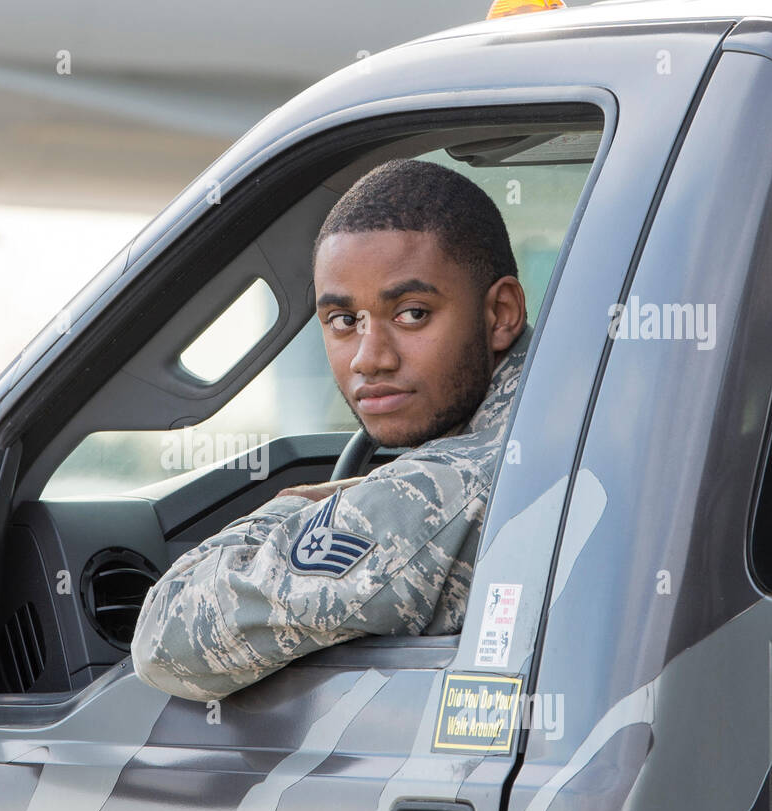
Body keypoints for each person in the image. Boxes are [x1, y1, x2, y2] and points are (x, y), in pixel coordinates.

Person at [131, 158, 530, 701]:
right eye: (344, 321)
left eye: (412, 313)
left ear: (501, 313)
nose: (370, 359)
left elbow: (166, 640)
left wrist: (299, 506)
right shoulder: (564, 410)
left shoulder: (459, 487)